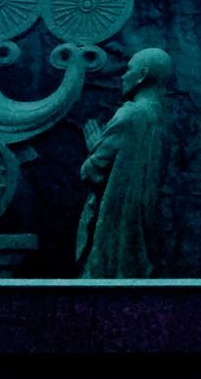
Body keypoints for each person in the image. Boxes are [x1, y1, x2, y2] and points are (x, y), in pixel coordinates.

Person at [78, 47, 173, 278]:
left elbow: (91, 172)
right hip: (145, 221)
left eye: (128, 69)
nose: (123, 76)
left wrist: (94, 150)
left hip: (117, 223)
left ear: (142, 75)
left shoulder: (129, 115)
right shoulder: (161, 118)